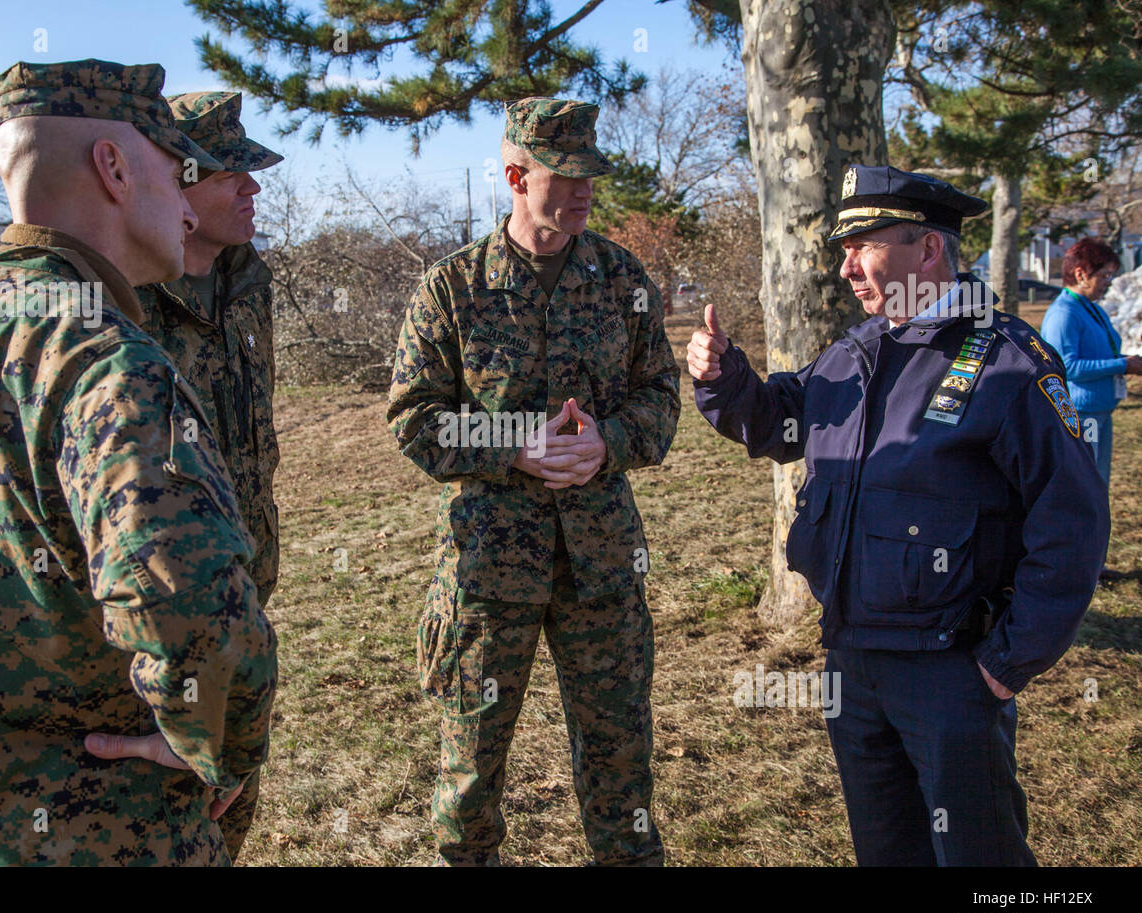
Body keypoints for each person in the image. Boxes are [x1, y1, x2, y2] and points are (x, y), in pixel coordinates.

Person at [0, 59, 277, 865]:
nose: (186, 204)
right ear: (114, 168)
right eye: (171, 168)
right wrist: (217, 743)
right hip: (95, 827)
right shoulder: (109, 361)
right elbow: (192, 609)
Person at [688, 164, 1109, 866]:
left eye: (865, 246)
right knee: (887, 851)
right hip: (852, 663)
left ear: (928, 250)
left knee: (981, 860)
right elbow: (775, 425)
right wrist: (722, 375)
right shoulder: (855, 353)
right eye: (842, 250)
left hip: (952, 670)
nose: (846, 267)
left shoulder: (1009, 363)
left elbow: (1072, 524)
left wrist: (1007, 662)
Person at [387, 97, 680, 866]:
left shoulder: (623, 279)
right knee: (471, 770)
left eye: (592, 176)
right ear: (516, 177)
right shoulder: (451, 290)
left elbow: (661, 396)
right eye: (566, 176)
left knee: (622, 763)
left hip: (603, 565)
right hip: (489, 571)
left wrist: (608, 445)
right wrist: (512, 444)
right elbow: (413, 419)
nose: (584, 191)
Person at [129, 91, 282, 862]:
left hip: (244, 593)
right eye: (234, 175)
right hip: (155, 622)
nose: (253, 189)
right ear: (177, 184)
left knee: (230, 820)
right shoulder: (119, 304)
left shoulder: (251, 281)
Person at [1040, 236, 1142, 489]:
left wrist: (1127, 360)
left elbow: (1101, 352)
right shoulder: (1063, 314)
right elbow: (1067, 367)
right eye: (1104, 275)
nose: (1108, 283)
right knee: (1084, 488)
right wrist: (1123, 366)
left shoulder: (1090, 307)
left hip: (1099, 412)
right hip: (1080, 415)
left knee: (1097, 483)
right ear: (1081, 273)